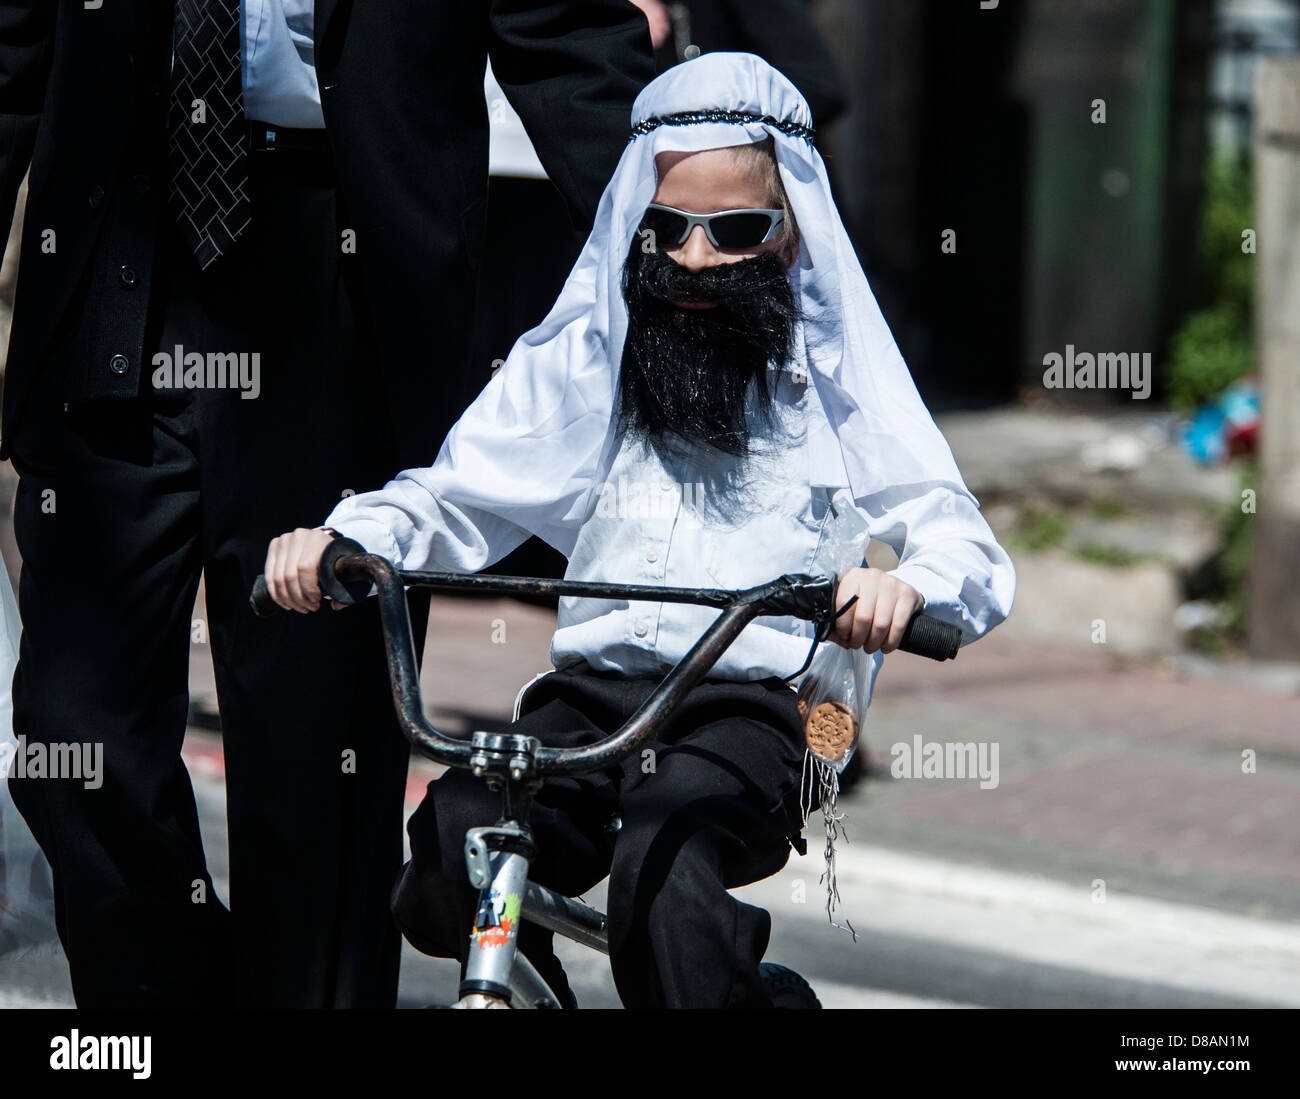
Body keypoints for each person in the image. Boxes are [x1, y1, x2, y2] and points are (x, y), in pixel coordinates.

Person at [264, 52, 1016, 1008]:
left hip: (761, 709)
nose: (695, 260)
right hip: (588, 700)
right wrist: (348, 539)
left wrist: (908, 586)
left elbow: (957, 535)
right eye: (667, 230)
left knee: (663, 877)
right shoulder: (595, 354)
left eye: (735, 231)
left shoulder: (835, 374)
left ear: (790, 237)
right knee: (454, 841)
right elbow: (462, 493)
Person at [0, 0, 652, 1009]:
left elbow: (565, 39)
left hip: (344, 282)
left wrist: (677, 235)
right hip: (119, 259)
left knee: (317, 775)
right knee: (70, 731)